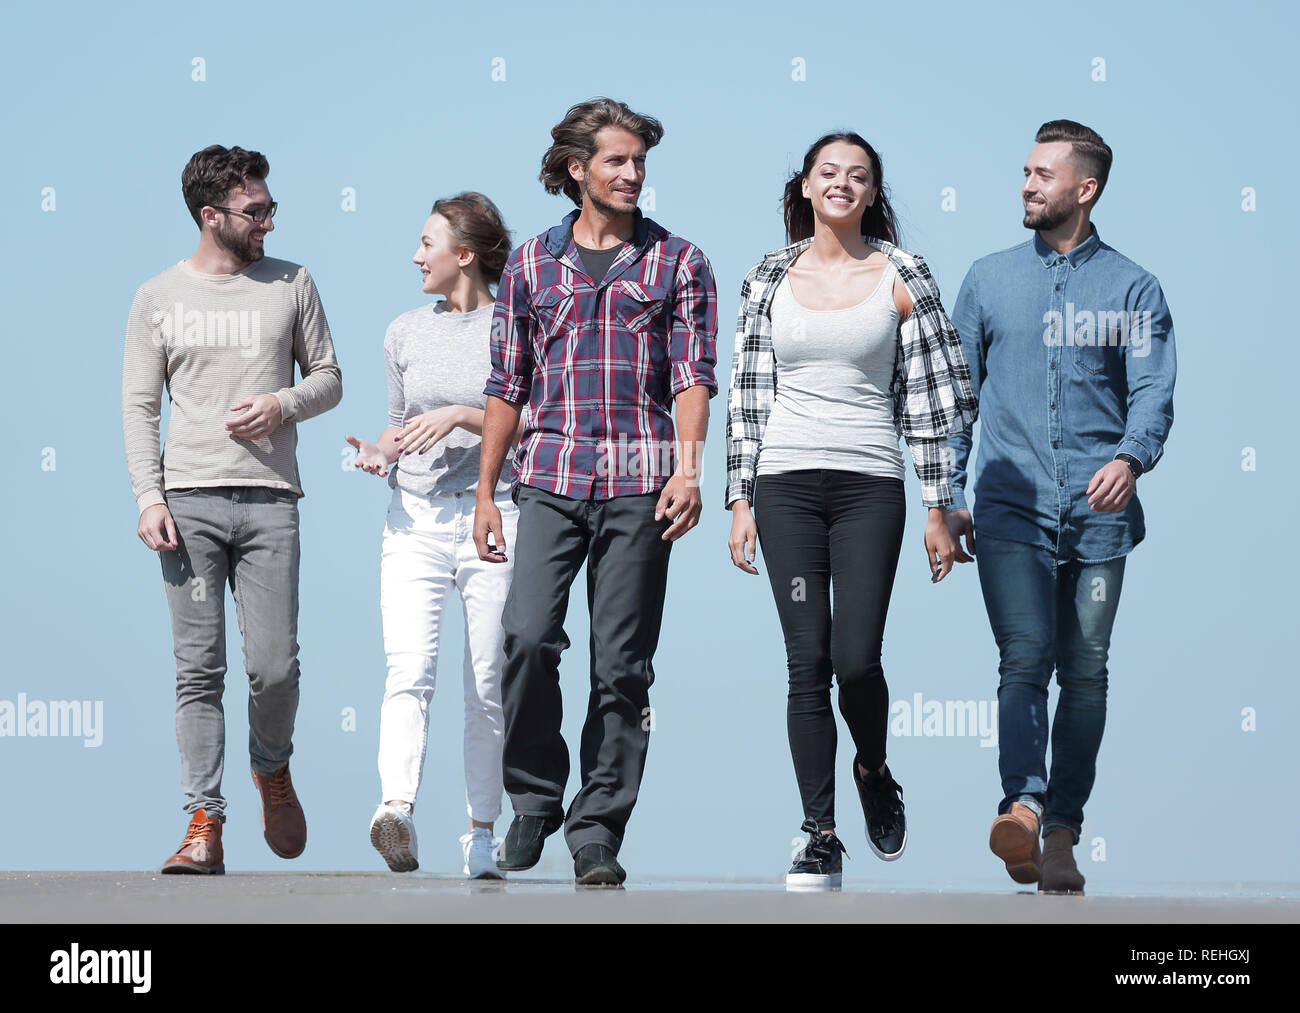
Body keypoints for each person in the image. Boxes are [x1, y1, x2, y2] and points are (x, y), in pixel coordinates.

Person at [473, 97, 718, 886]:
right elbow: (506, 381)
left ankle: (597, 830)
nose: (632, 173)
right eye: (616, 160)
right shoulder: (530, 265)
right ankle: (535, 797)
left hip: (643, 485)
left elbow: (692, 375)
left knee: (622, 665)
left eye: (640, 161)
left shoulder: (679, 261)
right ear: (577, 169)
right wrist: (485, 492)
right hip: (547, 478)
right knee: (527, 637)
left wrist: (688, 468)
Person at [726, 132, 978, 889]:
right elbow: (745, 394)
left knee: (855, 659)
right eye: (829, 172)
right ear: (805, 186)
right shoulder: (767, 275)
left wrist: (941, 505)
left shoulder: (902, 273)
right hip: (786, 488)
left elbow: (942, 399)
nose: (843, 183)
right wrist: (740, 496)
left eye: (858, 176)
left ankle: (873, 767)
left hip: (871, 484)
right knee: (807, 661)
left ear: (872, 194)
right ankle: (819, 833)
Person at [945, 120, 1176, 894]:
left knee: (1085, 672)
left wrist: (1129, 456)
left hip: (1100, 514)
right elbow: (956, 405)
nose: (1027, 184)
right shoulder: (985, 279)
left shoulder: (1135, 288)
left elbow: (1152, 389)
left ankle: (1064, 832)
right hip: (1009, 506)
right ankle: (1023, 803)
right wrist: (944, 503)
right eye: (1025, 171)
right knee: (1025, 653)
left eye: (1044, 174)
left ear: (1086, 188)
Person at [122, 144, 343, 874]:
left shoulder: (292, 283)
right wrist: (149, 496)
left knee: (275, 669)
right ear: (210, 216)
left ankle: (270, 768)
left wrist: (282, 401)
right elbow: (138, 404)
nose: (270, 224)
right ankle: (202, 822)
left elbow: (329, 378)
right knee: (198, 669)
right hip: (187, 503)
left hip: (272, 500)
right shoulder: (157, 296)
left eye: (271, 208)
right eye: (258, 211)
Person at [346, 193, 524, 878]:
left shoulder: (515, 324)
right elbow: (398, 423)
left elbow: (531, 421)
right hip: (413, 518)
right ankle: (395, 808)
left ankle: (482, 833)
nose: (416, 256)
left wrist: (460, 412)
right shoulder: (403, 332)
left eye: (427, 243)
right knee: (407, 670)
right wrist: (380, 450)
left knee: (486, 681)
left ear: (466, 254)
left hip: (495, 514)